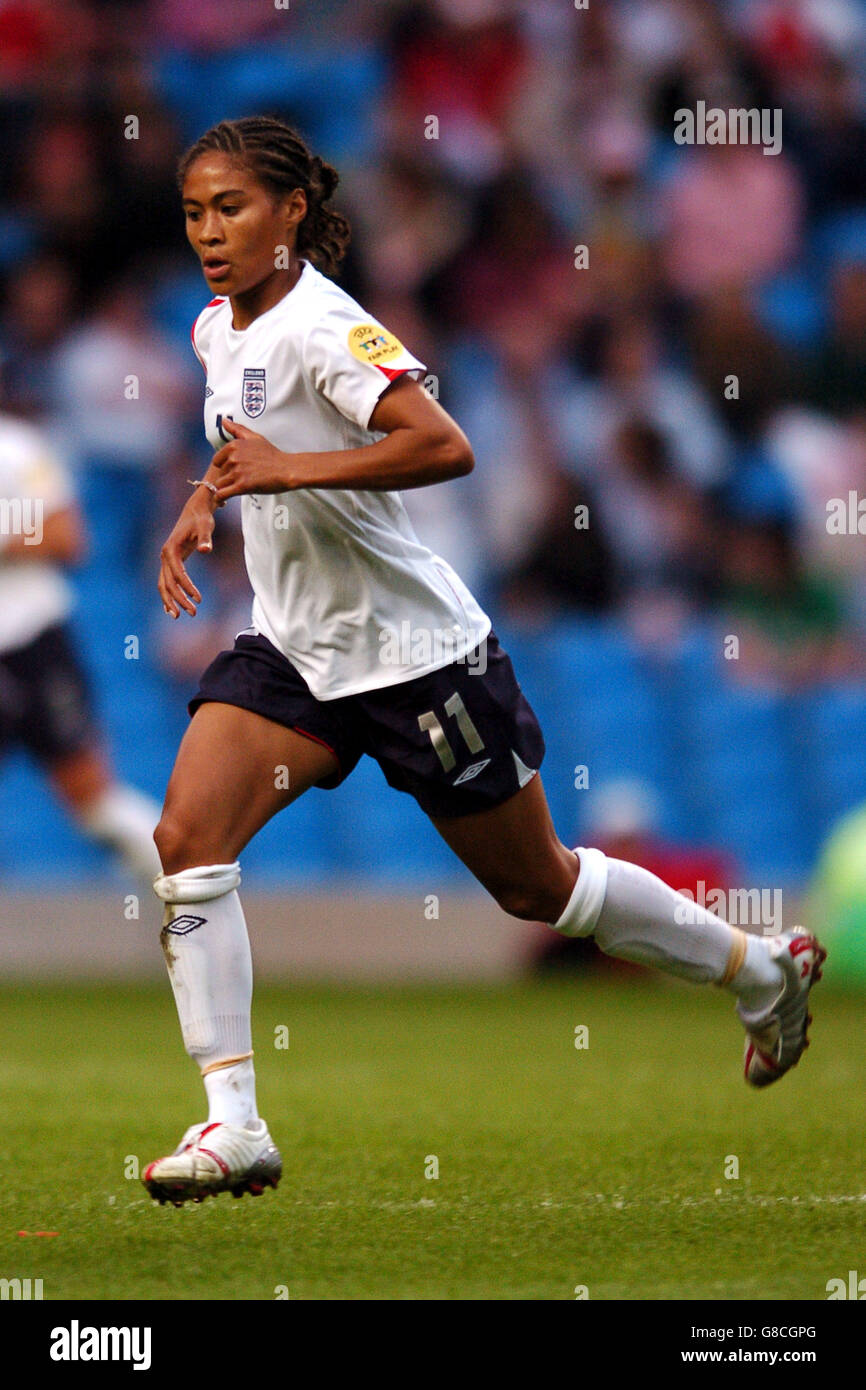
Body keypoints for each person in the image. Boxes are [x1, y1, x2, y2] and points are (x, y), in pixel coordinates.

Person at [143, 116, 825, 1206]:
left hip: (414, 658)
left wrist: (281, 475)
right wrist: (200, 504)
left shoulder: (328, 325)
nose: (208, 231)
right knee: (185, 837)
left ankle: (755, 968)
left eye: (231, 208)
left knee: (535, 884)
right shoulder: (214, 328)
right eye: (193, 211)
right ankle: (235, 1124)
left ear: (291, 214)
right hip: (296, 649)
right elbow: (243, 442)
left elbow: (442, 445)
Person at [0, 409, 162, 884]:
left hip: (31, 639)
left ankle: (190, 901)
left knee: (94, 802)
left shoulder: (14, 449)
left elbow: (67, 536)